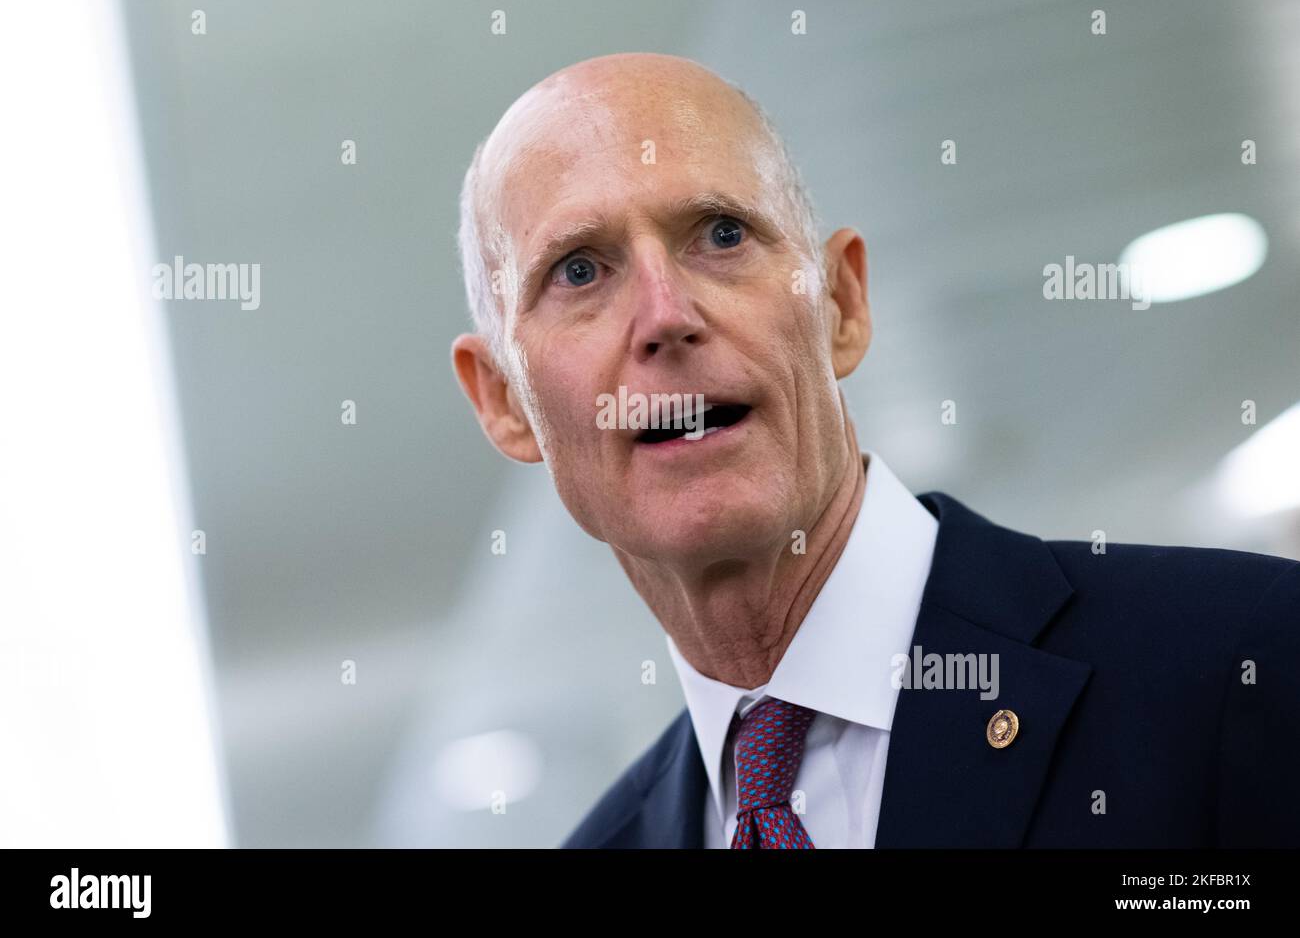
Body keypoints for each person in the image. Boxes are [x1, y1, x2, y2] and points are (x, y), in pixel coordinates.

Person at [450, 52, 1300, 848]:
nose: (666, 315)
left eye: (722, 234)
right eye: (579, 271)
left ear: (843, 304)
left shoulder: (1243, 661)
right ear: (504, 402)